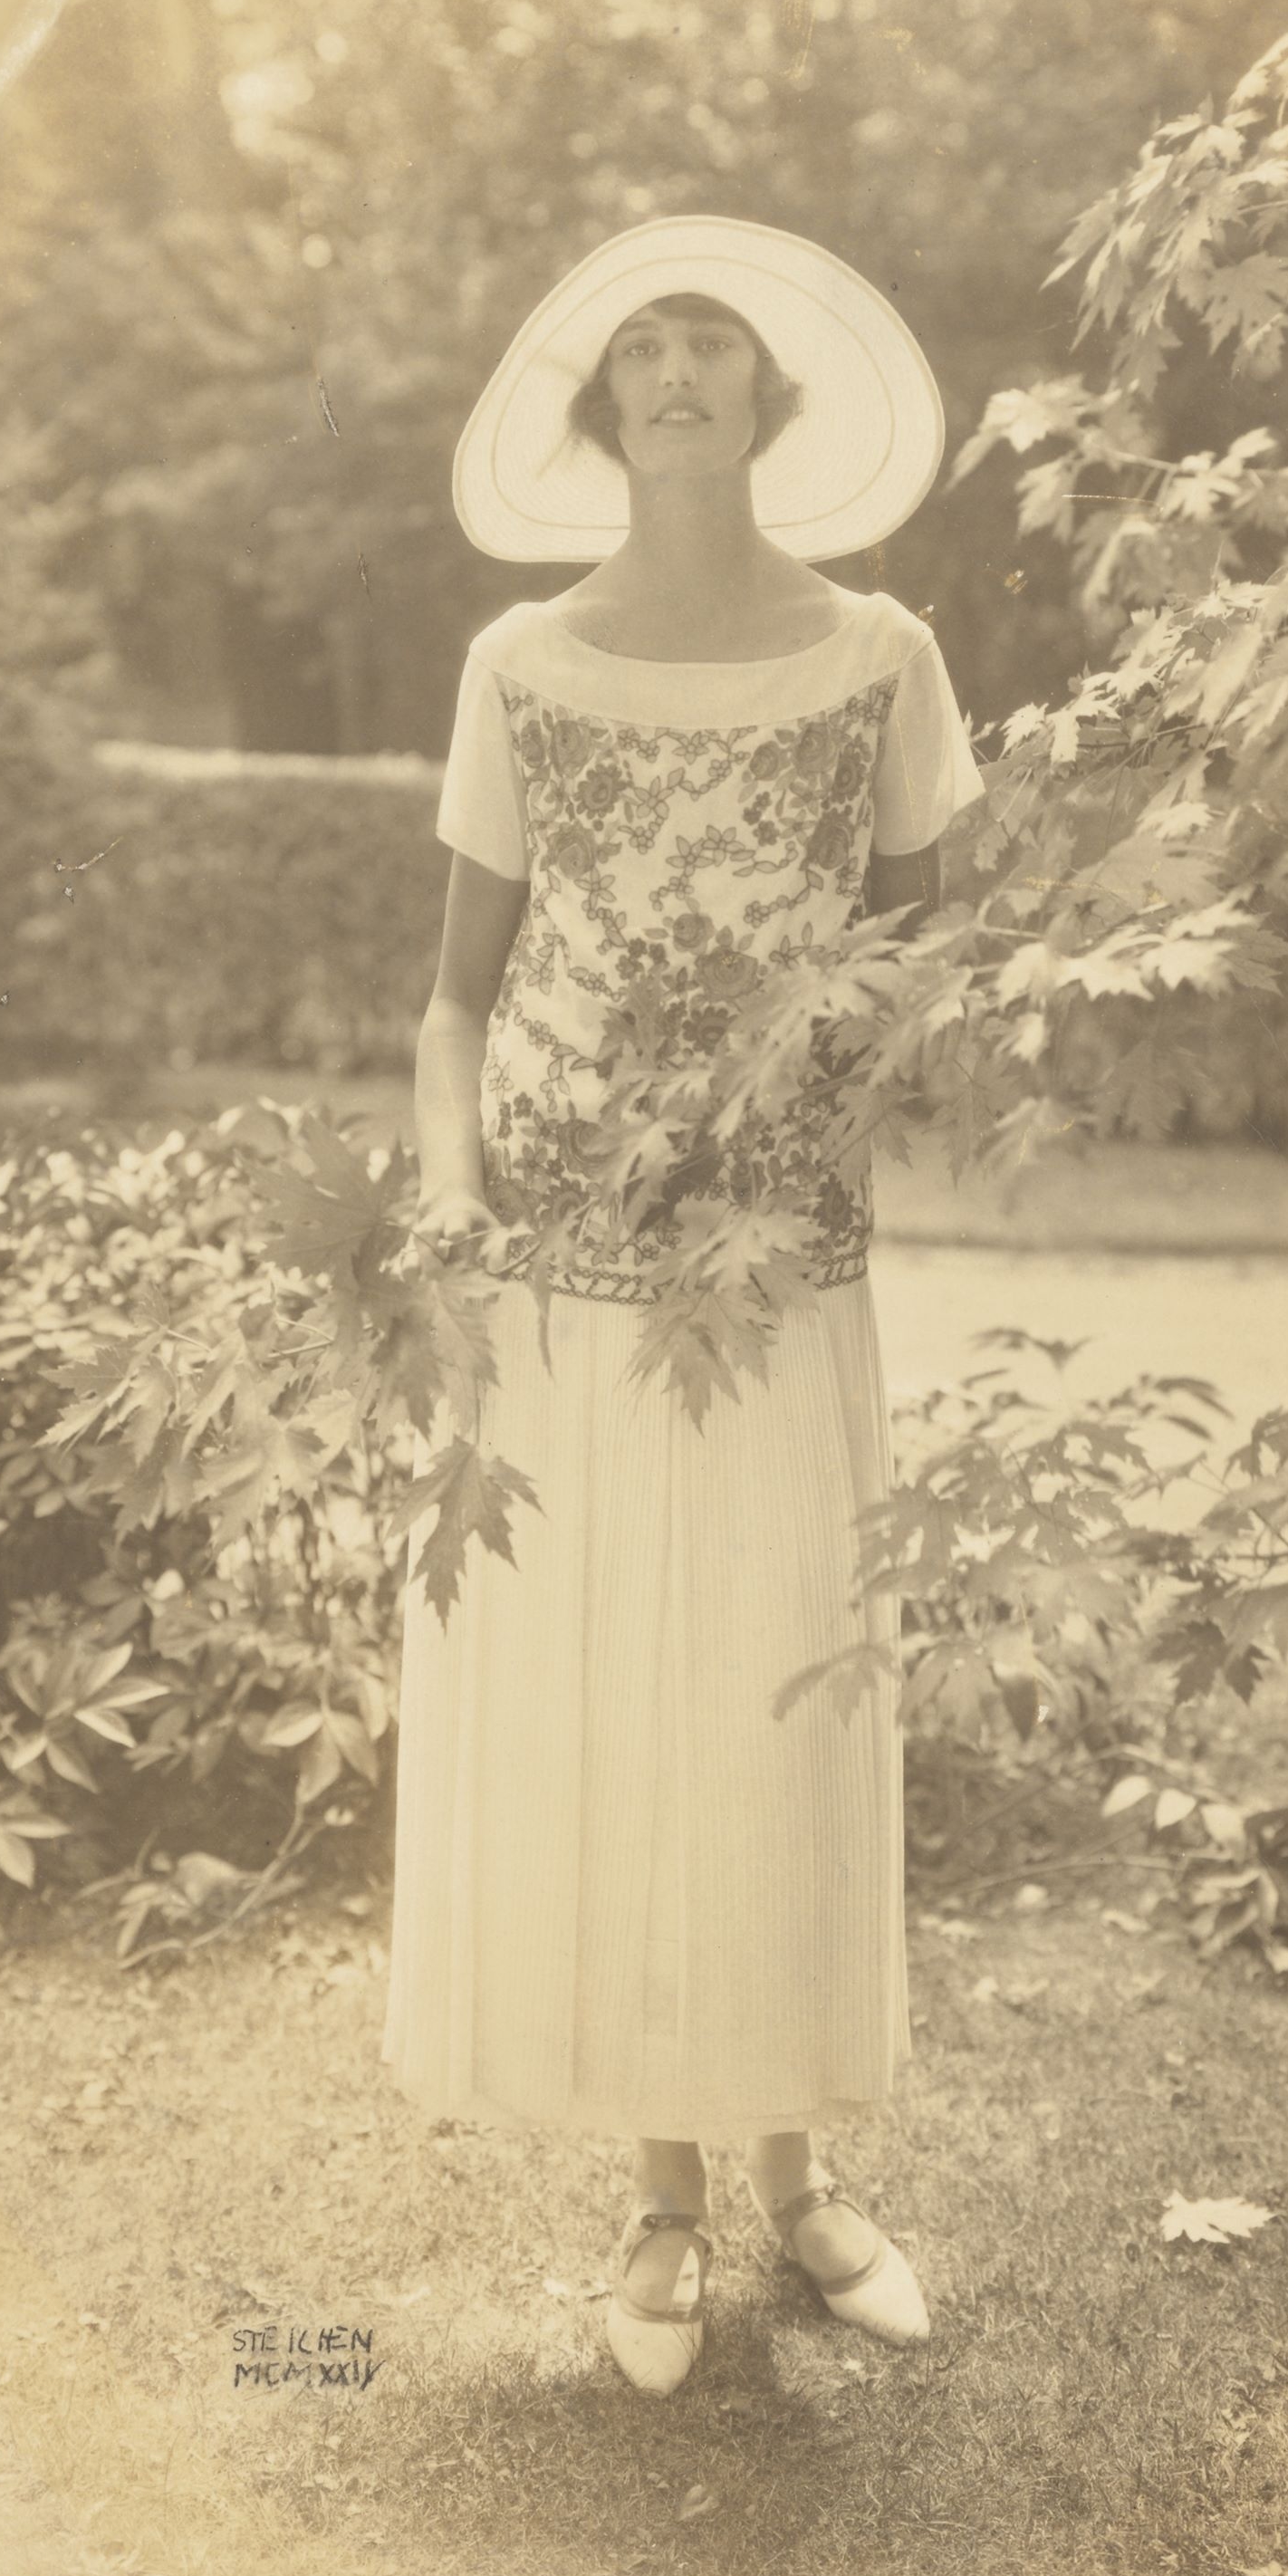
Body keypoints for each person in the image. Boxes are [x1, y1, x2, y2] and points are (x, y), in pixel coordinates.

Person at [379, 215, 985, 2395]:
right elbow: (453, 1010)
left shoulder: (880, 658)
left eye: (710, 335)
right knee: (618, 1697)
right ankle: (655, 2206)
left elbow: (934, 964)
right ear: (595, 402)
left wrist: (811, 1059)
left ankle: (801, 2184)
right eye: (639, 340)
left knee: (771, 1687)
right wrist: (452, 1206)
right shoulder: (520, 667)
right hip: (559, 1261)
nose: (675, 367)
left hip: (781, 1261)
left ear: (768, 391)